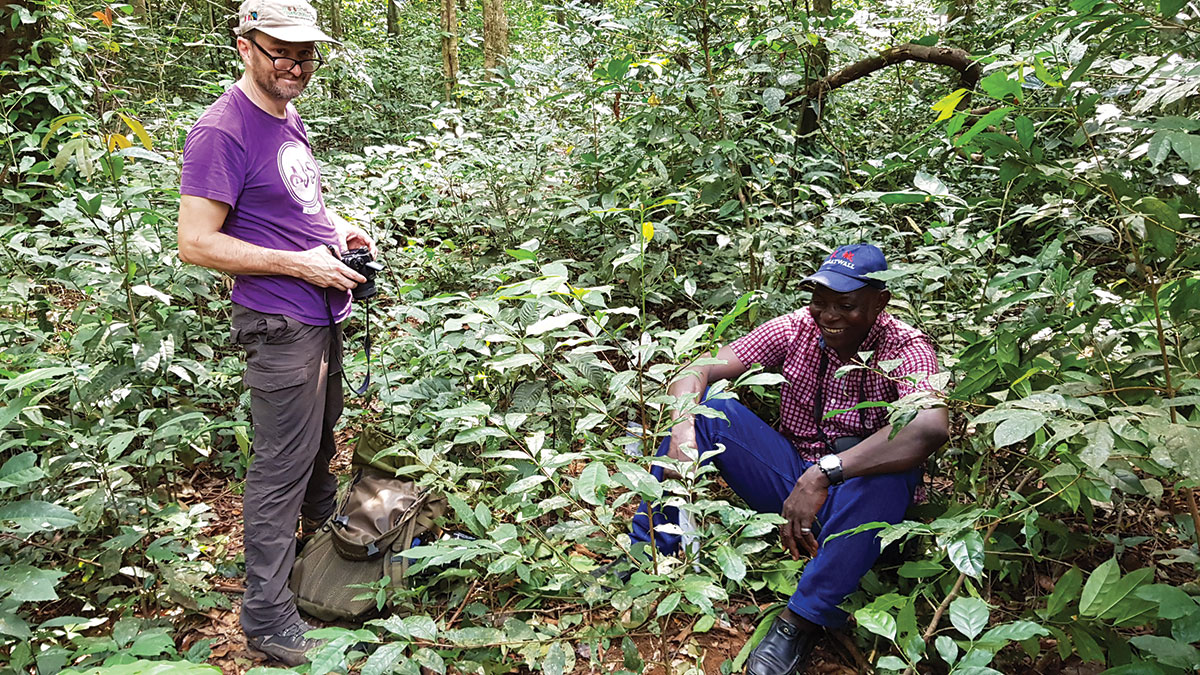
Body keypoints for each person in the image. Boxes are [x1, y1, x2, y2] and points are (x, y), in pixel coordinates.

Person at [627, 244, 949, 675]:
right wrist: (683, 428)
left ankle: (801, 620)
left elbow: (929, 427)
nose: (829, 315)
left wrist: (825, 473)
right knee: (709, 410)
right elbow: (697, 369)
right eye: (820, 301)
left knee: (893, 473)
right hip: (793, 484)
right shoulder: (797, 328)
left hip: (862, 505)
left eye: (846, 305)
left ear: (880, 302)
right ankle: (648, 554)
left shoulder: (905, 347)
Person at [176, 0, 375, 665]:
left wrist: (339, 229)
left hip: (320, 314)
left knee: (319, 449)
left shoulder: (287, 114)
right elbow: (196, 242)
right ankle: (266, 616)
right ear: (245, 47)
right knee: (281, 467)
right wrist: (299, 263)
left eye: (305, 53)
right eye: (280, 52)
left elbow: (295, 202)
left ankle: (319, 564)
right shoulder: (222, 130)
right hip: (279, 322)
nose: (295, 65)